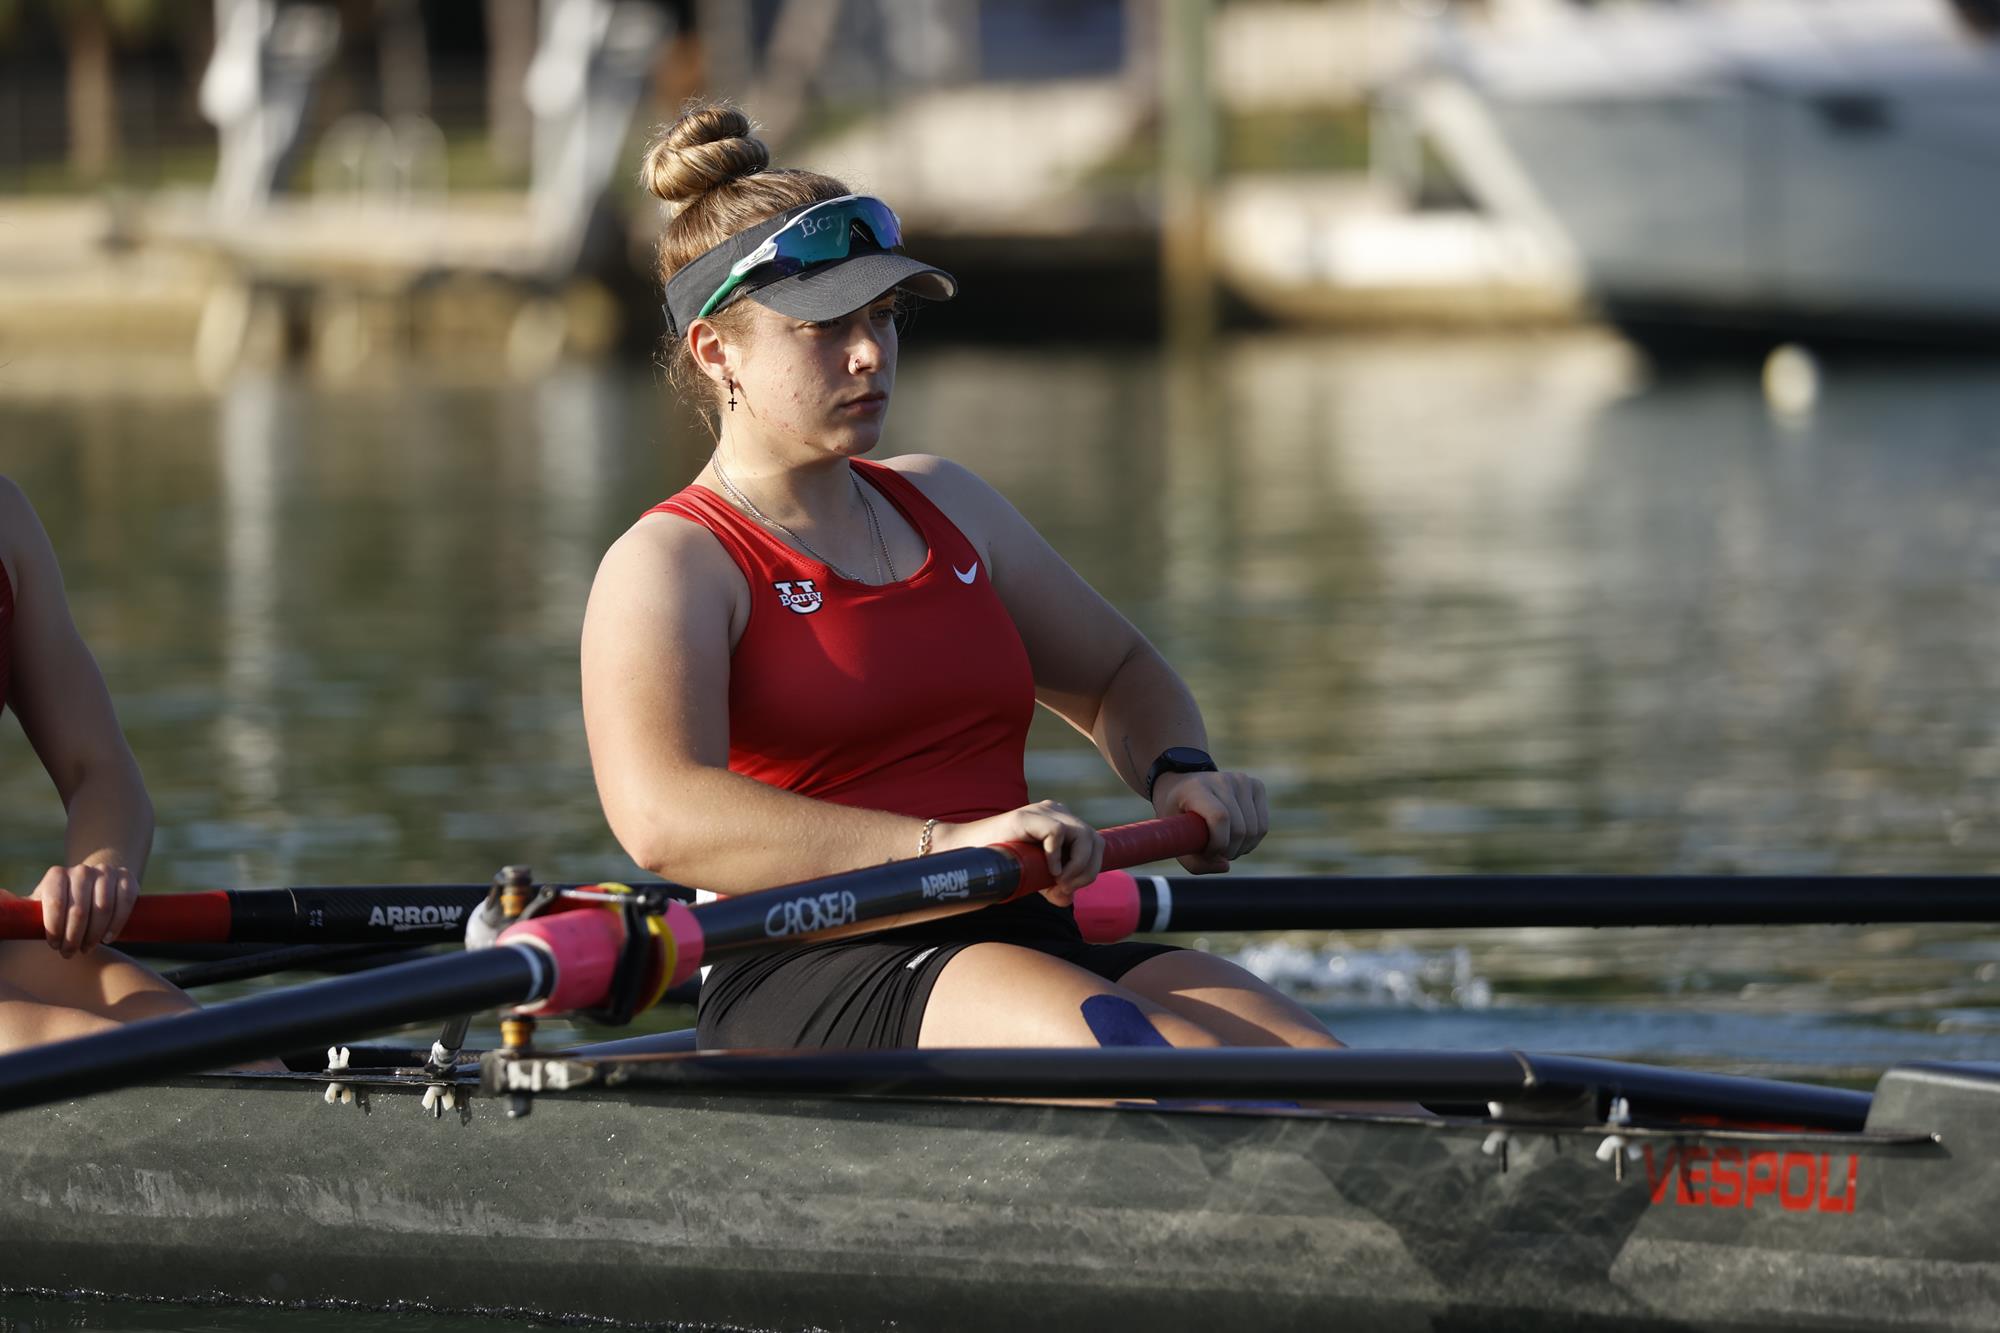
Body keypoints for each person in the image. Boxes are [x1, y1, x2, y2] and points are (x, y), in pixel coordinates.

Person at [582, 102, 1339, 1053]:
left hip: (1014, 925)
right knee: (1162, 1066)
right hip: (812, 966)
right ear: (715, 350)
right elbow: (663, 817)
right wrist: (942, 844)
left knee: (1330, 1070)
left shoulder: (949, 502)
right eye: (824, 327)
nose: (871, 353)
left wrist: (1180, 775)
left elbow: (1117, 677)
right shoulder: (673, 561)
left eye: (883, 316)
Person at [0, 477, 197, 1054]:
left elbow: (100, 771)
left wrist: (98, 872)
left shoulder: (6, 519)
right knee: (128, 1065)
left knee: (248, 1066)